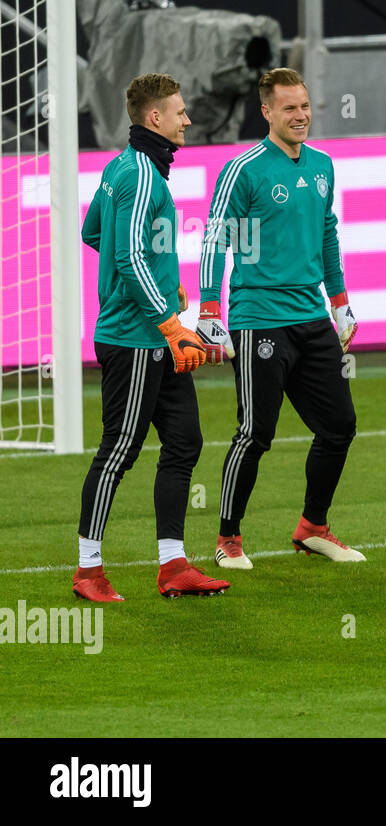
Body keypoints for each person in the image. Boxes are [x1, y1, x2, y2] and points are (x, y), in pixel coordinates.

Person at [198, 67, 363, 569]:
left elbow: (327, 234)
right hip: (259, 320)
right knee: (256, 434)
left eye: (305, 106)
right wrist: (209, 313)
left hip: (311, 318)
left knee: (340, 426)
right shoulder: (243, 169)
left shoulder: (322, 167)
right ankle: (228, 538)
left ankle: (313, 527)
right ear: (266, 111)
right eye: (289, 107)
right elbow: (214, 239)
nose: (301, 116)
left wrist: (340, 303)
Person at [75, 73, 231, 600]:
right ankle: (88, 571)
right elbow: (127, 254)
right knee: (119, 451)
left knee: (184, 442)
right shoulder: (142, 174)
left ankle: (173, 565)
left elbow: (93, 231)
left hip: (151, 334)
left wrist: (164, 283)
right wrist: (167, 321)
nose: (188, 119)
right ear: (155, 118)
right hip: (137, 337)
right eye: (181, 111)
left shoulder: (118, 168)